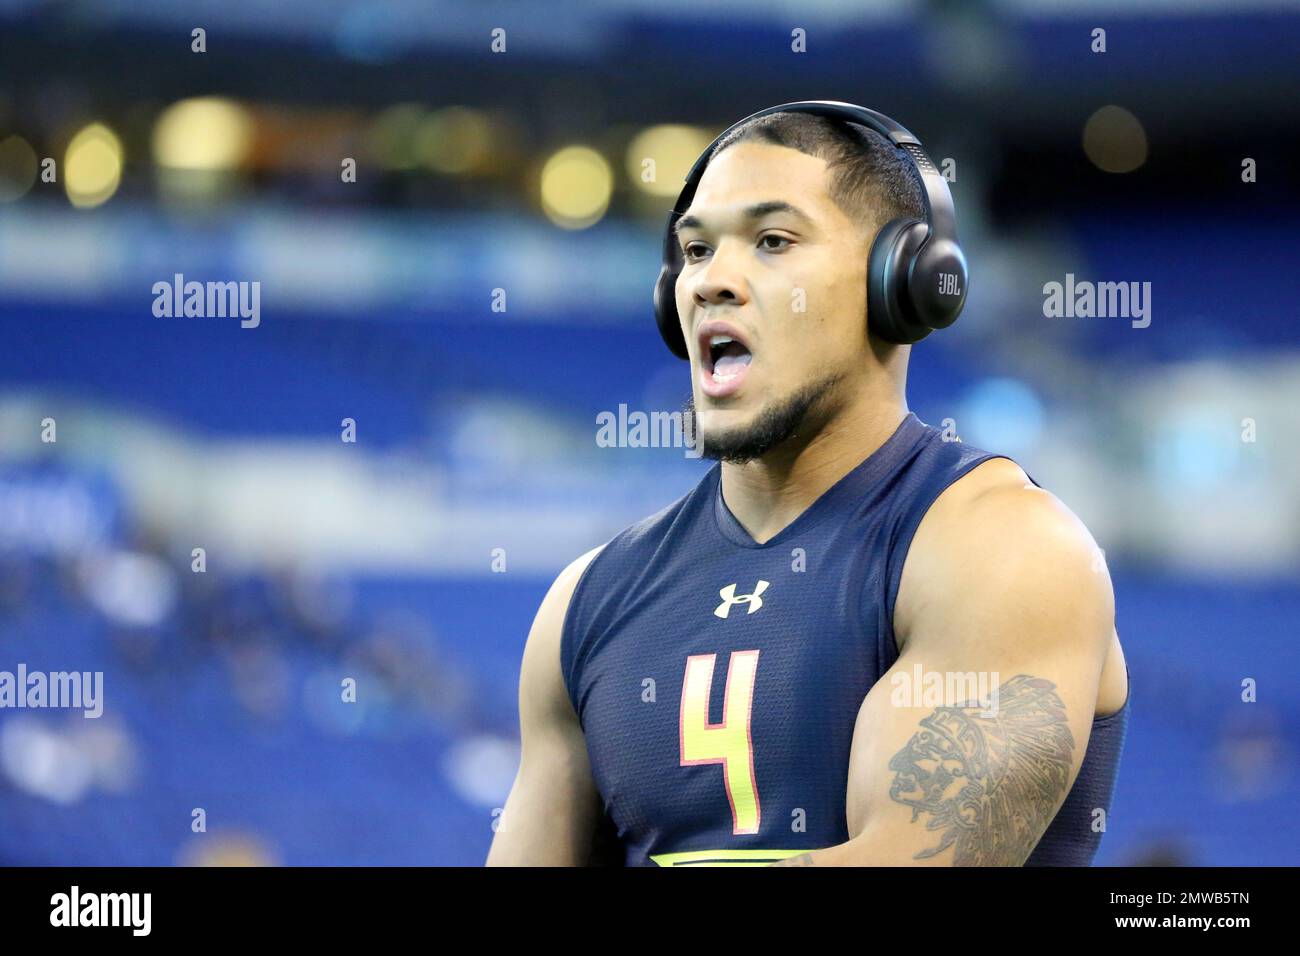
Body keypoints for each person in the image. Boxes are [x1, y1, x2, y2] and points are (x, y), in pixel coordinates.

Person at [486, 103, 1129, 867]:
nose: (711, 281)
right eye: (695, 250)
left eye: (772, 241)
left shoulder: (1006, 548)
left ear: (903, 282)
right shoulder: (584, 604)